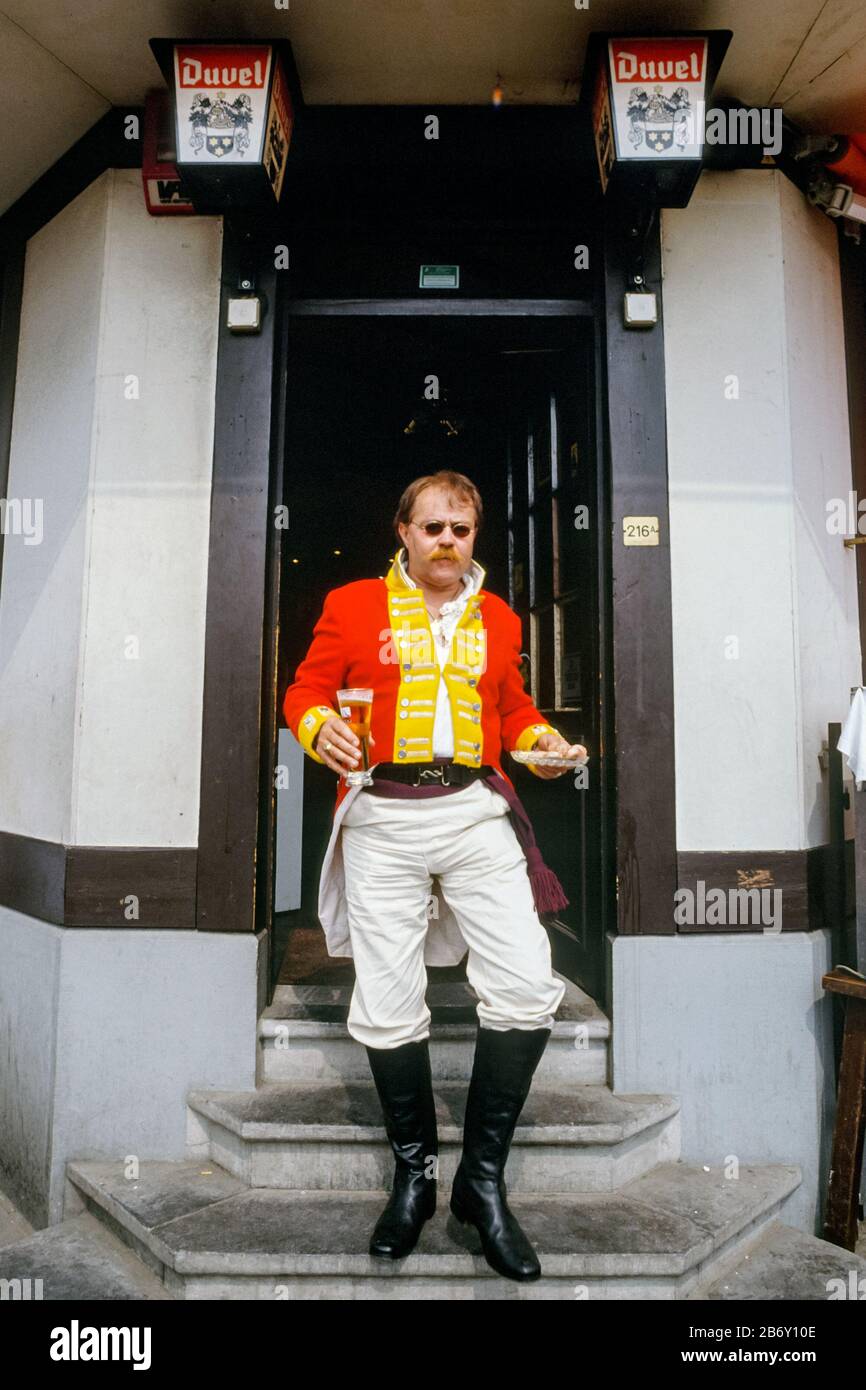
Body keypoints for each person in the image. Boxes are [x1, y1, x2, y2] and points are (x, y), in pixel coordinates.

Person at [282, 469, 587, 1282]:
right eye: (432, 528)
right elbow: (304, 693)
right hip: (382, 818)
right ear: (405, 532)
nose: (447, 541)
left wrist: (542, 744)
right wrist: (318, 731)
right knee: (387, 1002)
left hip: (474, 812)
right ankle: (415, 1178)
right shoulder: (352, 605)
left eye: (461, 529)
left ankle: (480, 1186)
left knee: (526, 986)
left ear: (473, 537)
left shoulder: (498, 617)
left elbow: (513, 709)